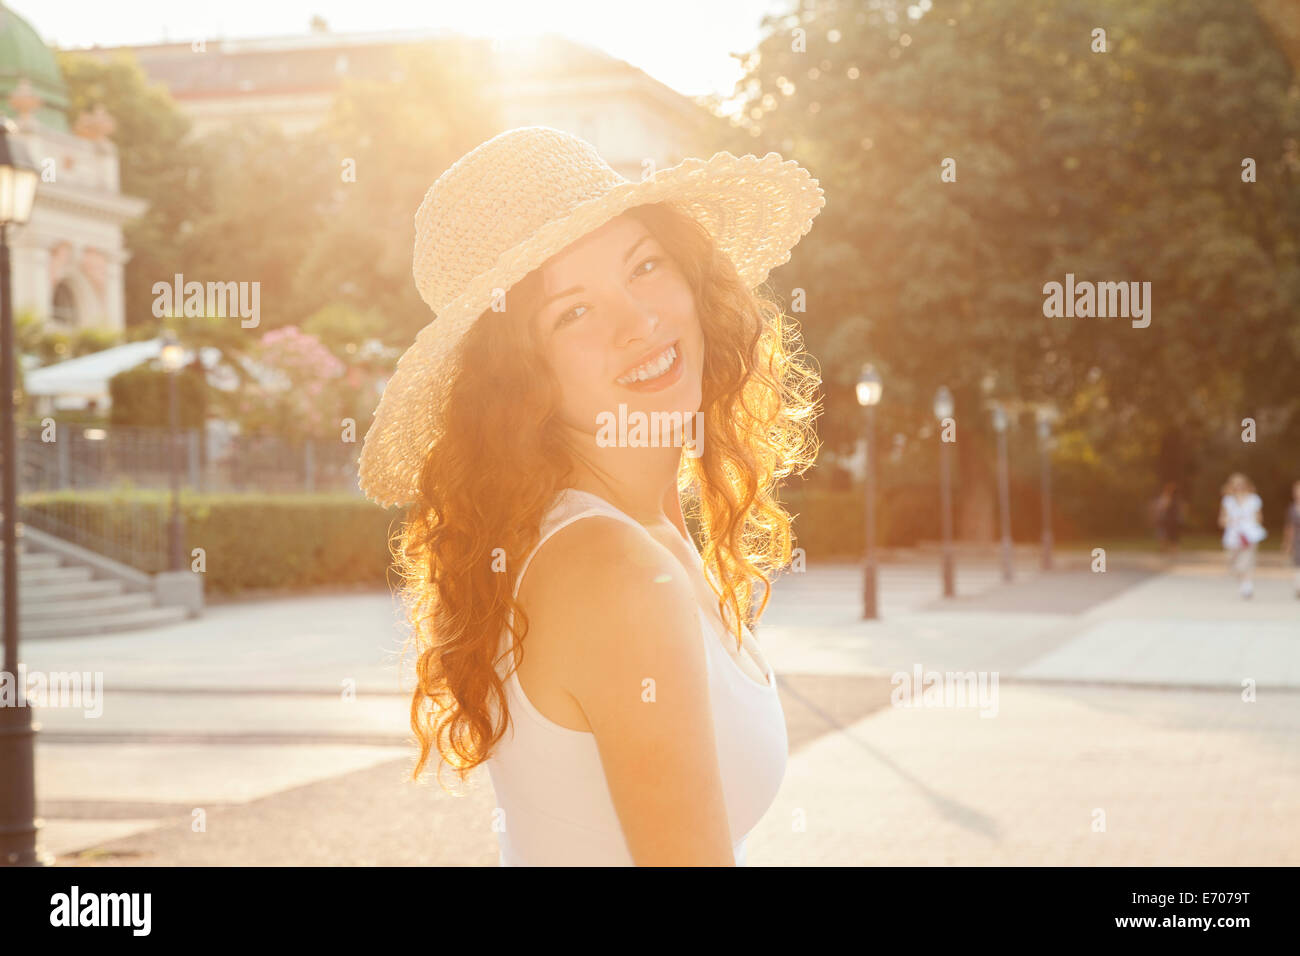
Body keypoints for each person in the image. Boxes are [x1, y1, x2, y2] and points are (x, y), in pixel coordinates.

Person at [357, 127, 825, 865]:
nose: (639, 322)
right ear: (519, 379)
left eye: (644, 266)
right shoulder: (615, 570)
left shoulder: (637, 520)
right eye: (572, 312)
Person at [1218, 473, 1267, 598]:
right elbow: (1221, 520)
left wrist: (1250, 523)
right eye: (1235, 484)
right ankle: (1243, 582)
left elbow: (1259, 518)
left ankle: (1247, 586)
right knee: (1232, 564)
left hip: (1249, 535)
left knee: (1246, 562)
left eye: (1240, 484)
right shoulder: (1228, 501)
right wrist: (1228, 521)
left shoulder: (1254, 499)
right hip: (1233, 536)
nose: (1238, 487)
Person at [1151, 481, 1184, 554]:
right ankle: (1166, 550)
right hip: (1166, 521)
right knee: (1165, 536)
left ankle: (1171, 550)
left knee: (1172, 537)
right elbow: (1160, 509)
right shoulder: (1166, 499)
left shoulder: (1174, 500)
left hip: (1171, 522)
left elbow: (1179, 511)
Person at [1283, 480, 1300, 599]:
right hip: (1298, 540)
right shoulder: (1292, 508)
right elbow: (1290, 527)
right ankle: (1298, 586)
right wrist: (1287, 543)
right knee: (1297, 563)